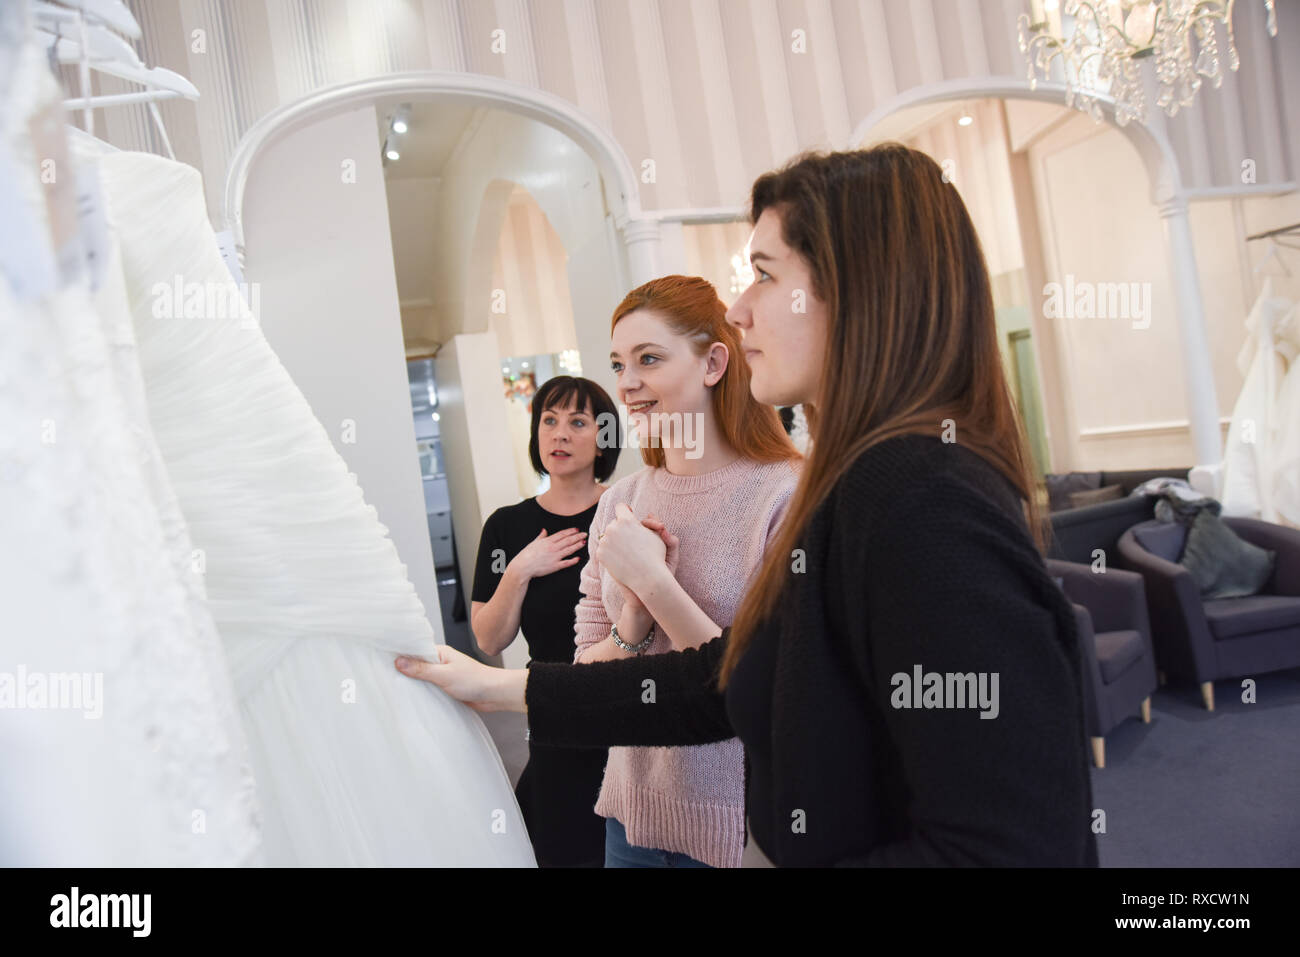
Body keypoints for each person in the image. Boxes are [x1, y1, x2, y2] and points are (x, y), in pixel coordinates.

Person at [399, 143, 1098, 867]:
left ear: (859, 290)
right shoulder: (856, 486)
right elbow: (724, 681)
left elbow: (1008, 847)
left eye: (764, 275)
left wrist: (649, 590)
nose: (738, 310)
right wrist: (497, 685)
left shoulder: (920, 499)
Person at [568, 275, 799, 868]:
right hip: (630, 822)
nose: (627, 383)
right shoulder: (620, 503)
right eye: (618, 364)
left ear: (714, 363)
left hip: (744, 829)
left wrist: (654, 582)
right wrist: (634, 621)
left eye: (649, 359)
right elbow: (585, 678)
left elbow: (766, 689)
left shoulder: (785, 496)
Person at [469, 375, 619, 867]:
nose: (560, 434)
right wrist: (520, 569)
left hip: (626, 709)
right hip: (552, 714)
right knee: (562, 847)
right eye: (549, 421)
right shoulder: (506, 526)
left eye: (578, 422)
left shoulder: (626, 509)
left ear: (603, 438)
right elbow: (489, 639)